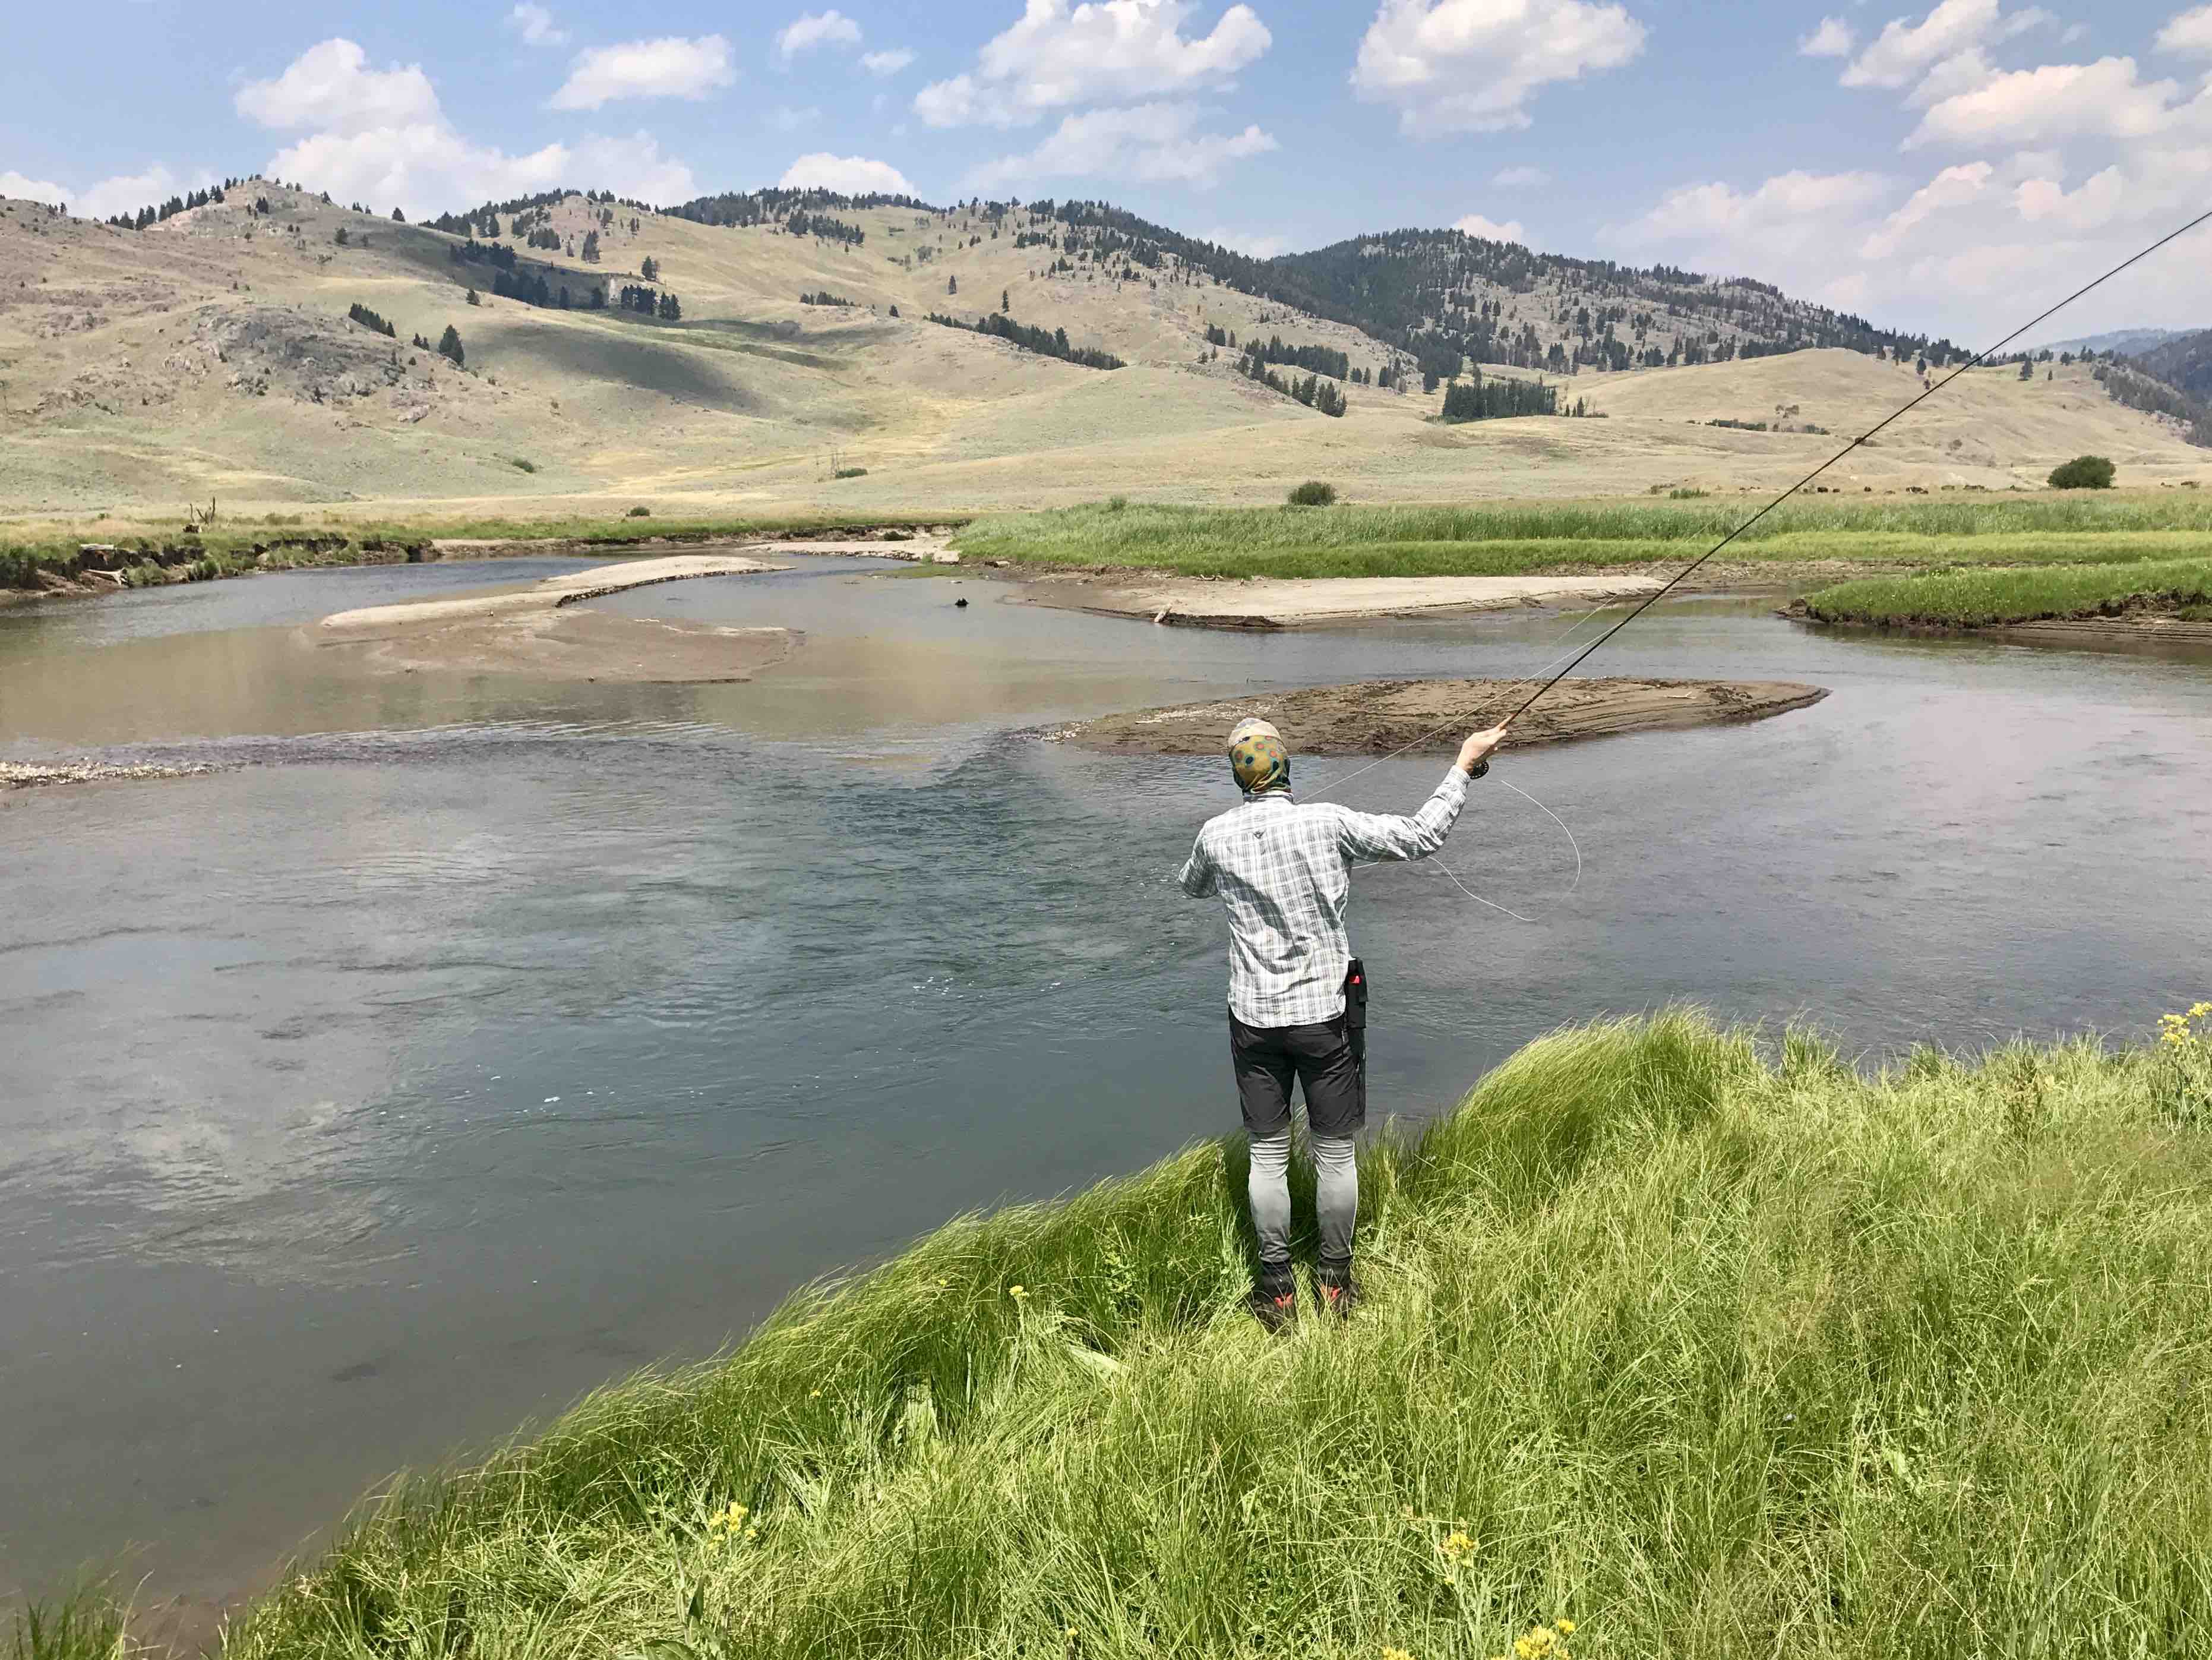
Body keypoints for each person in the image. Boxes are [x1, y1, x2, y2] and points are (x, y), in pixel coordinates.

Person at [1177, 715, 1508, 1329]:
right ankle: (1335, 1282)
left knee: (1267, 1155)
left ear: (1238, 776)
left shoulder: (1213, 836)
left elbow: (1191, 885)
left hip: (1253, 1021)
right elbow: (1420, 836)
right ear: (1285, 766)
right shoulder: (1327, 822)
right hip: (1324, 1021)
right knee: (1334, 1156)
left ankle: (1276, 1290)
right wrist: (1464, 765)